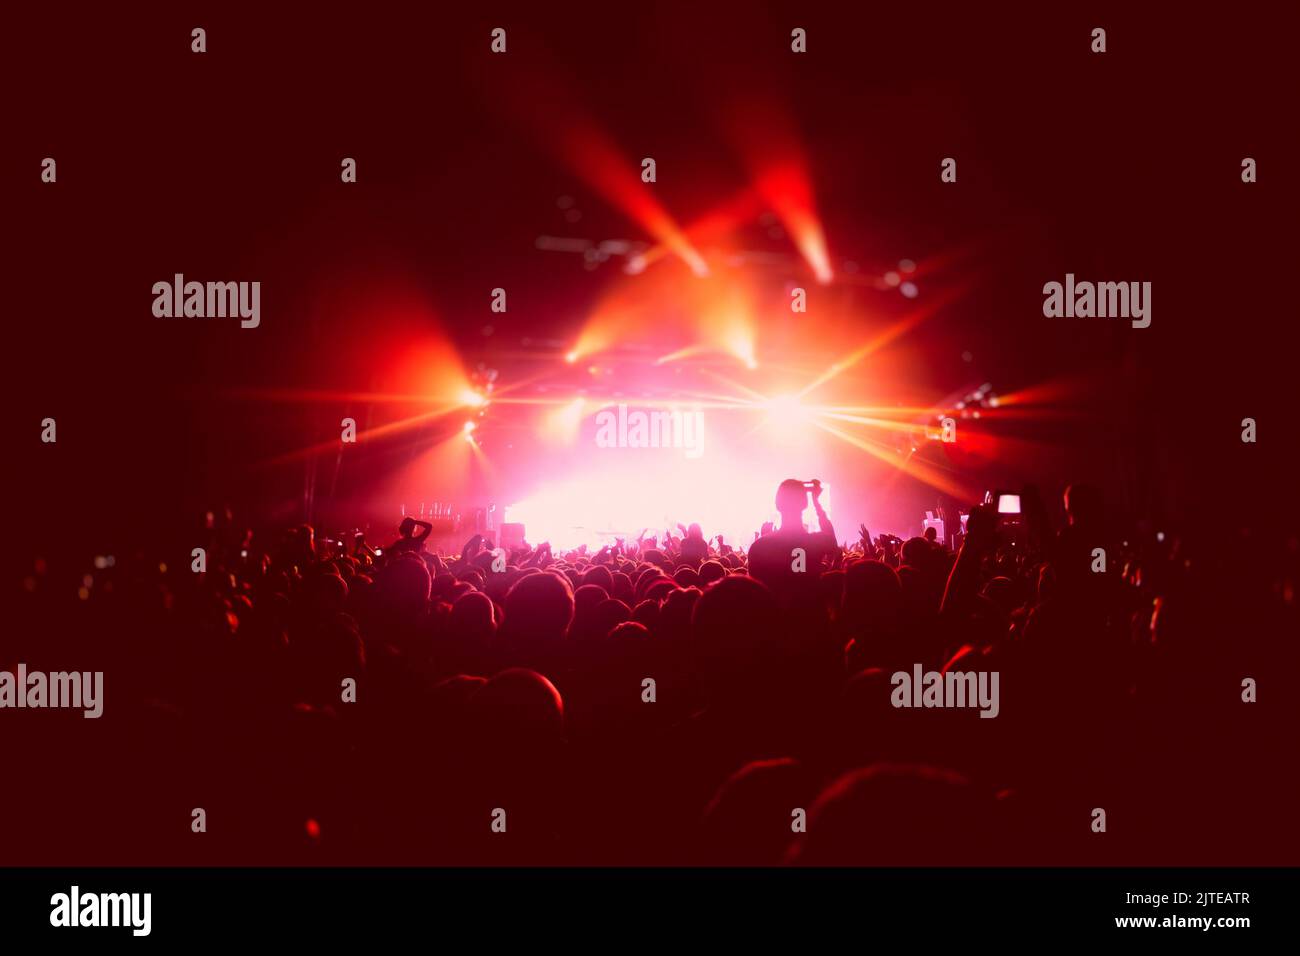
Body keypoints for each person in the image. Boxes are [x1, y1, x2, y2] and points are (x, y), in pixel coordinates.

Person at [746, 479, 837, 608]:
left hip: (772, 621)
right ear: (805, 504)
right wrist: (816, 502)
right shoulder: (813, 542)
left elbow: (753, 592)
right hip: (809, 620)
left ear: (778, 505)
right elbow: (832, 542)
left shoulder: (760, 546)